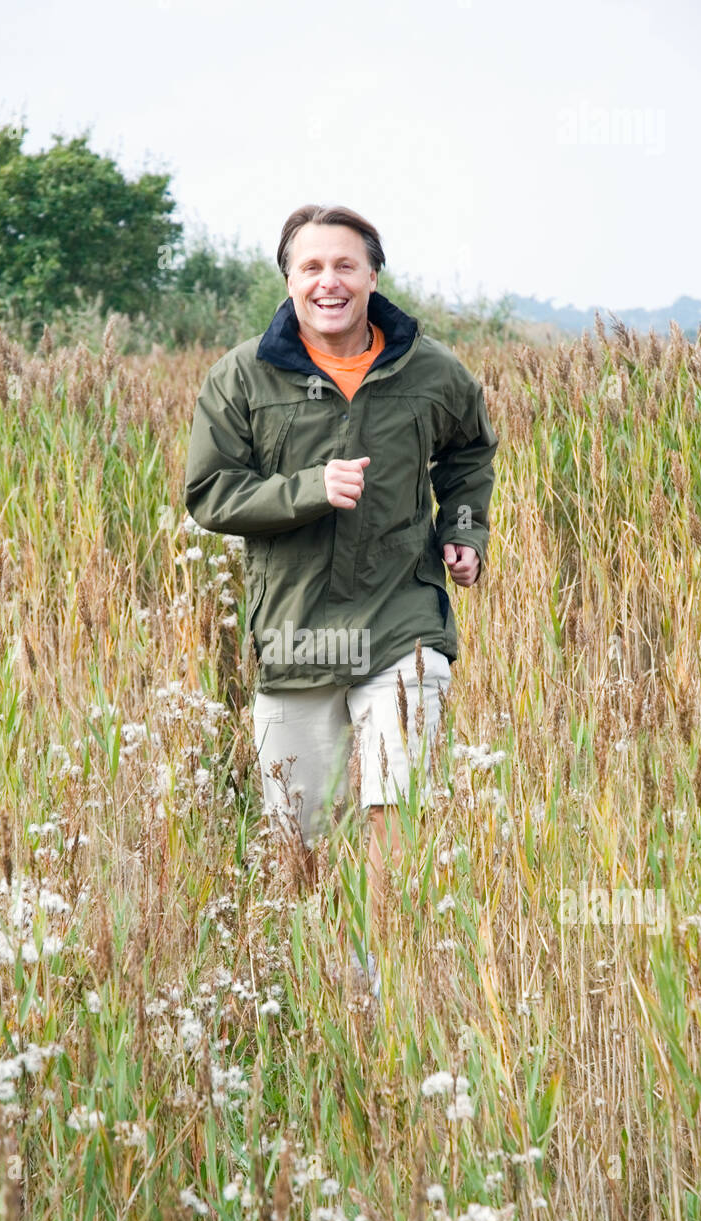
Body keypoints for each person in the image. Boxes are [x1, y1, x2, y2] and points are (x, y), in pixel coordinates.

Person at [184, 204, 497, 973]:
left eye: (345, 265)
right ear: (289, 280)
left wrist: (463, 530)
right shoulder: (241, 377)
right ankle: (323, 990)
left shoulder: (432, 370)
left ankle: (386, 980)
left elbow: (469, 455)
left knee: (395, 805)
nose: (329, 282)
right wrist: (309, 489)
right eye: (311, 268)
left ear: (372, 275)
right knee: (299, 838)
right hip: (296, 632)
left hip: (403, 620)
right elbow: (211, 494)